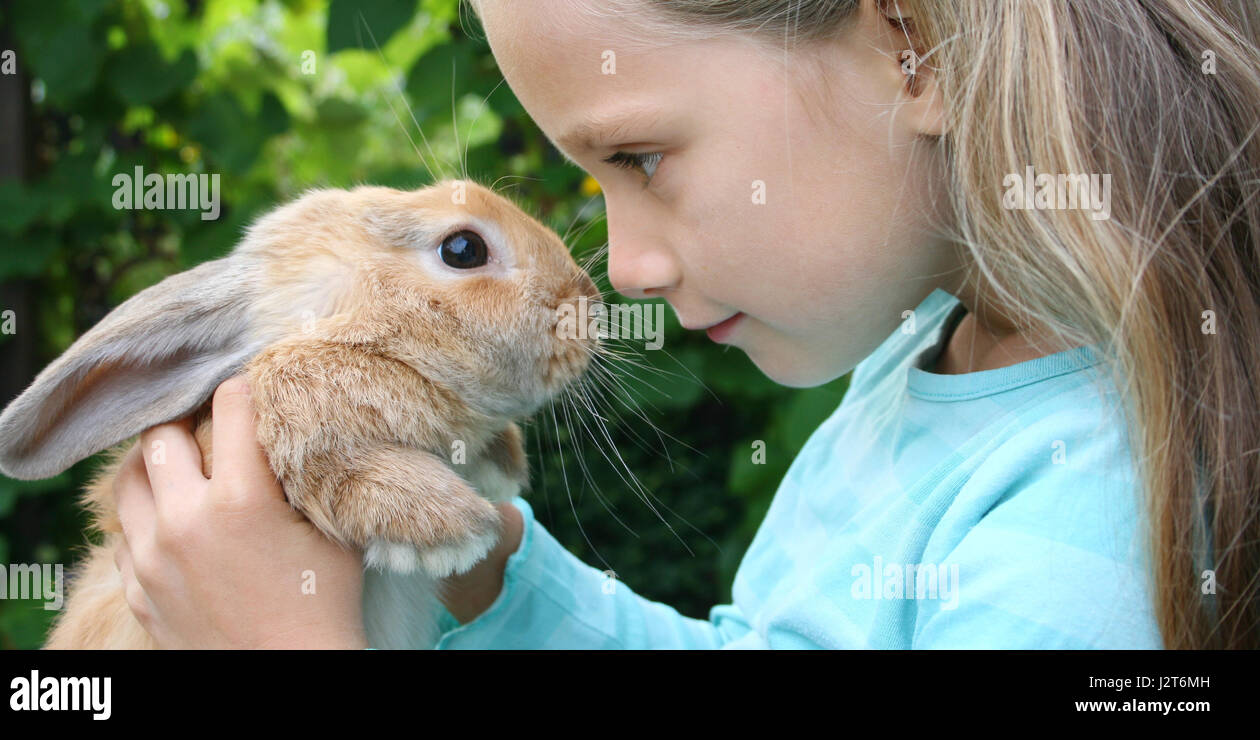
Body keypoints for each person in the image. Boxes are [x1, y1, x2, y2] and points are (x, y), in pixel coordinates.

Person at [111, 0, 1260, 648]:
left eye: (640, 158)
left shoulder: (1099, 501)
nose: (625, 265)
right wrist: (494, 578)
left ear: (913, 43)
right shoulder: (916, 366)